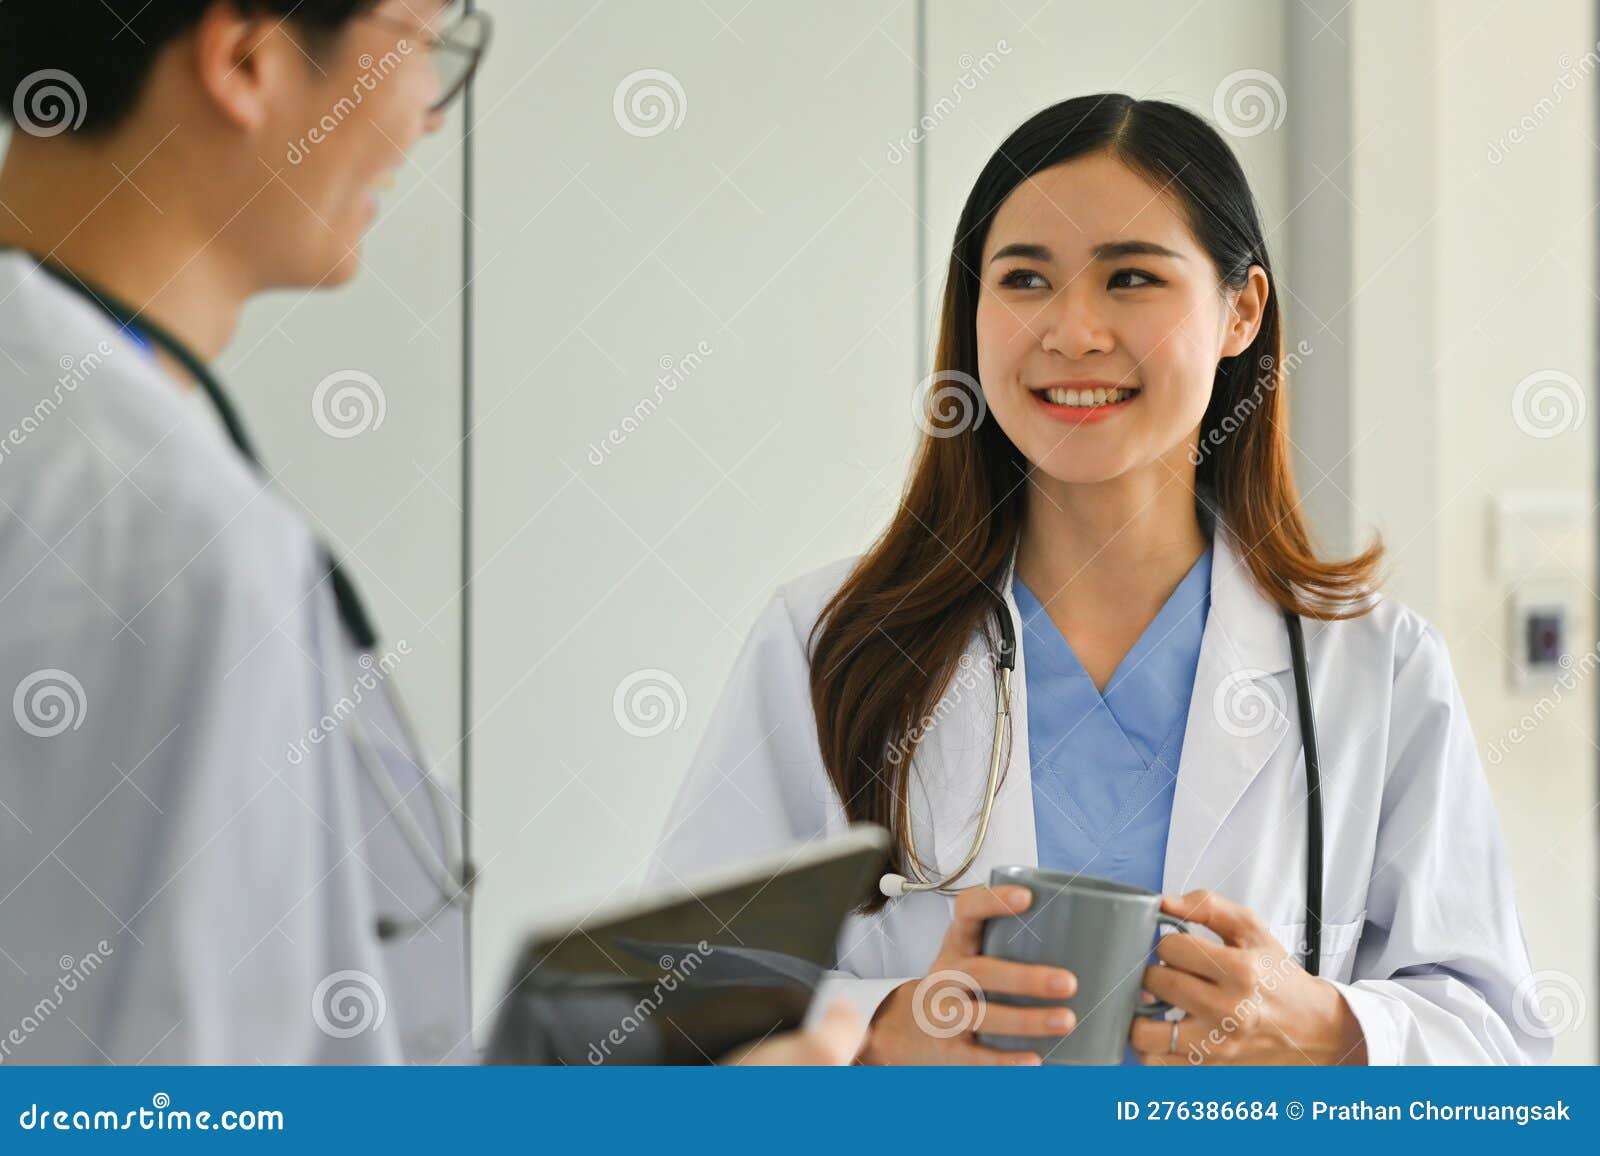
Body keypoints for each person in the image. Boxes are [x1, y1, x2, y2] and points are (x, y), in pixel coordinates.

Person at [0, 0, 857, 1066]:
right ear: (247, 58)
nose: (426, 116)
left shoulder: (99, 448)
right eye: (415, 40)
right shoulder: (170, 528)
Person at [650, 93, 1553, 1066]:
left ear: (1240, 310)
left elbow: (1500, 1049)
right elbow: (664, 1002)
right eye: (1024, 279)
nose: (1073, 331)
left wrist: (1335, 1029)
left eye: (1130, 277)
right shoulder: (827, 639)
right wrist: (876, 1028)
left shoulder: (1370, 663)